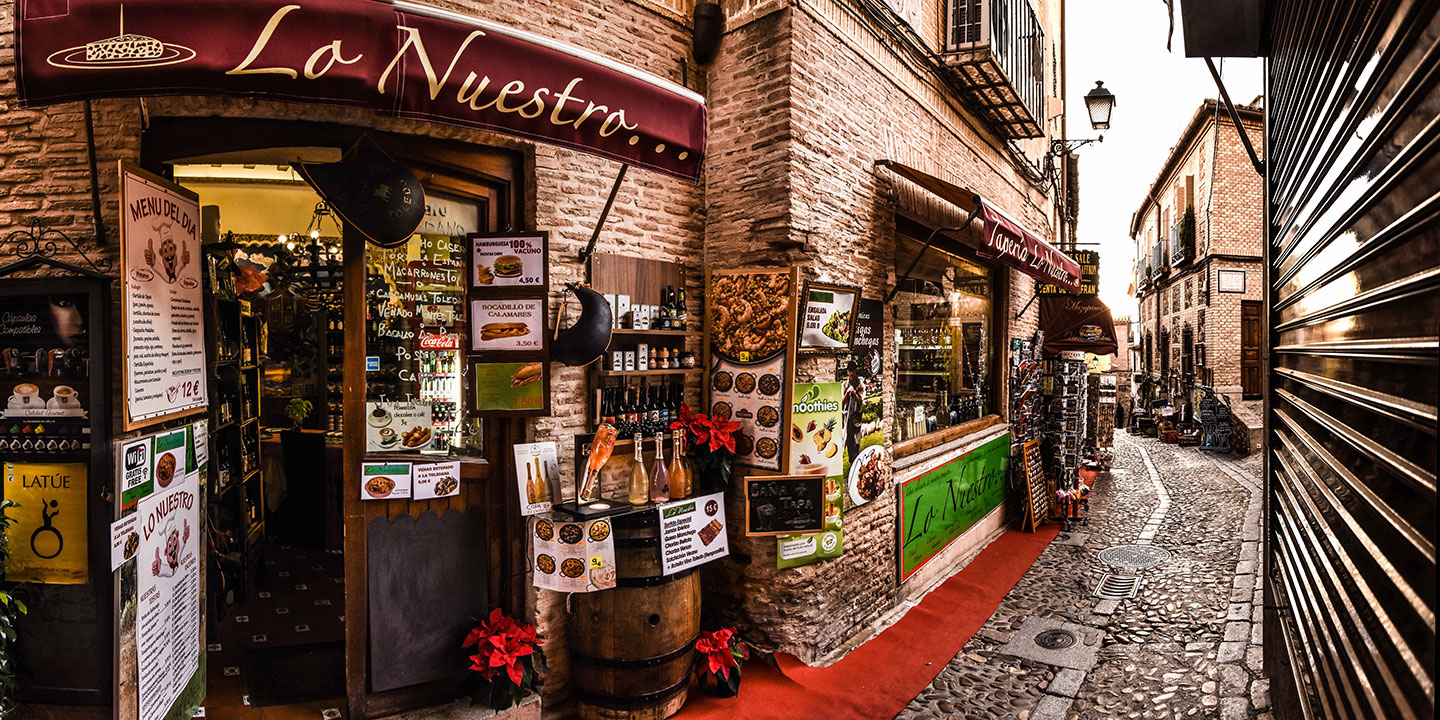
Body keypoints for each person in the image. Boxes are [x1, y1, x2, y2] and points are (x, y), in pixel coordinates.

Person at [842, 360, 864, 466]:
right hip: (847, 417)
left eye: (853, 371)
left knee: (856, 440)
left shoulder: (860, 384)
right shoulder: (844, 385)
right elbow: (841, 403)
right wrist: (847, 393)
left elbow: (861, 402)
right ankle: (851, 463)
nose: (851, 374)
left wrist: (854, 393)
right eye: (850, 371)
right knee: (848, 440)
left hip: (856, 417)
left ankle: (857, 462)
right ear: (848, 372)